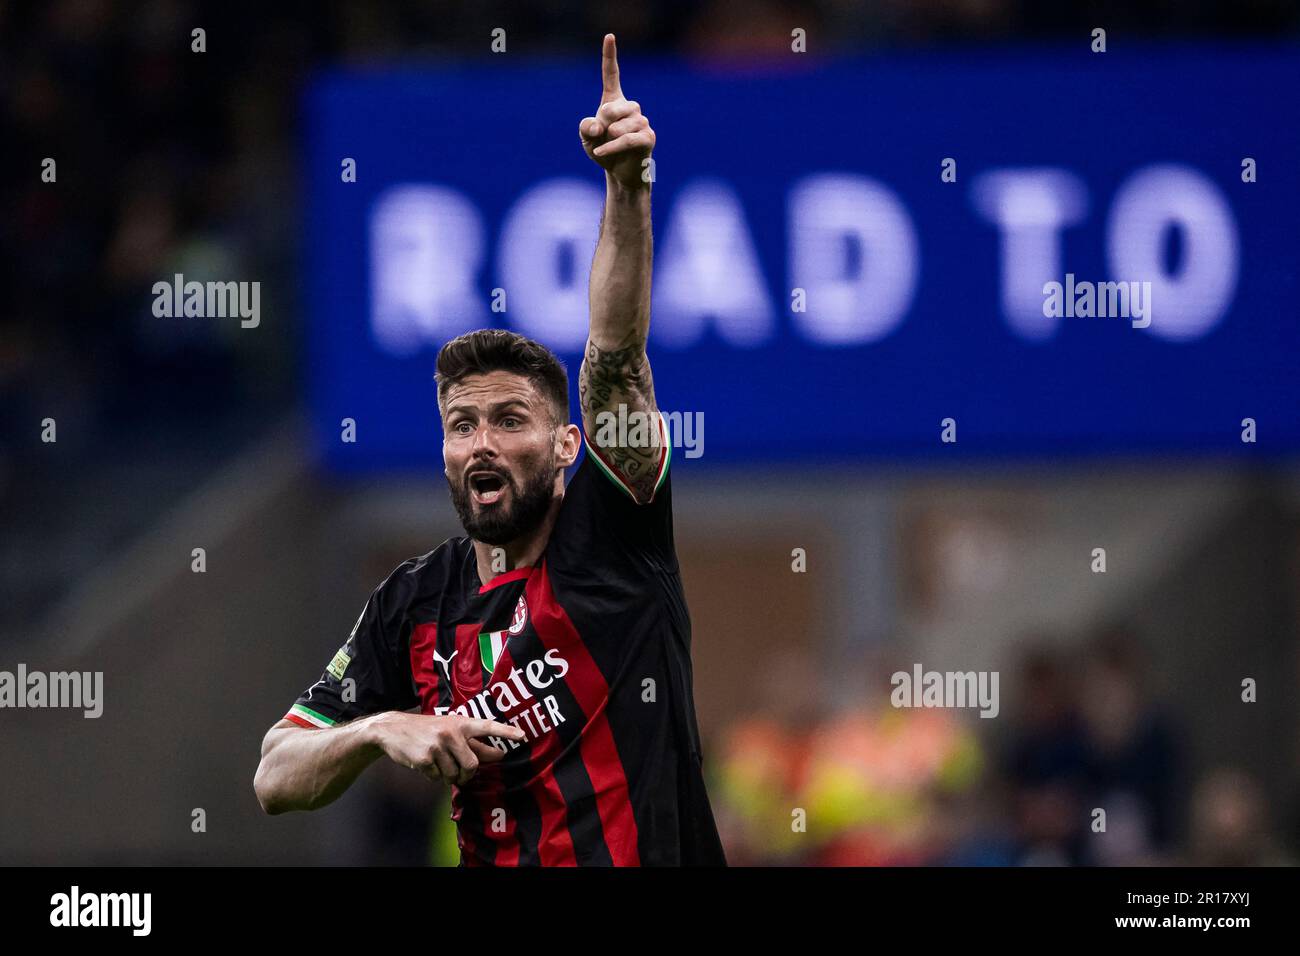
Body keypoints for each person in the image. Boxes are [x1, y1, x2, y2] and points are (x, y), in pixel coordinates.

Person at [254, 34, 726, 866]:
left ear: (568, 444)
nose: (484, 442)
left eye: (512, 419)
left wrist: (627, 188)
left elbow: (615, 359)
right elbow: (275, 775)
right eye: (464, 424)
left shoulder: (616, 535)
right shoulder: (410, 605)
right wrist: (381, 728)